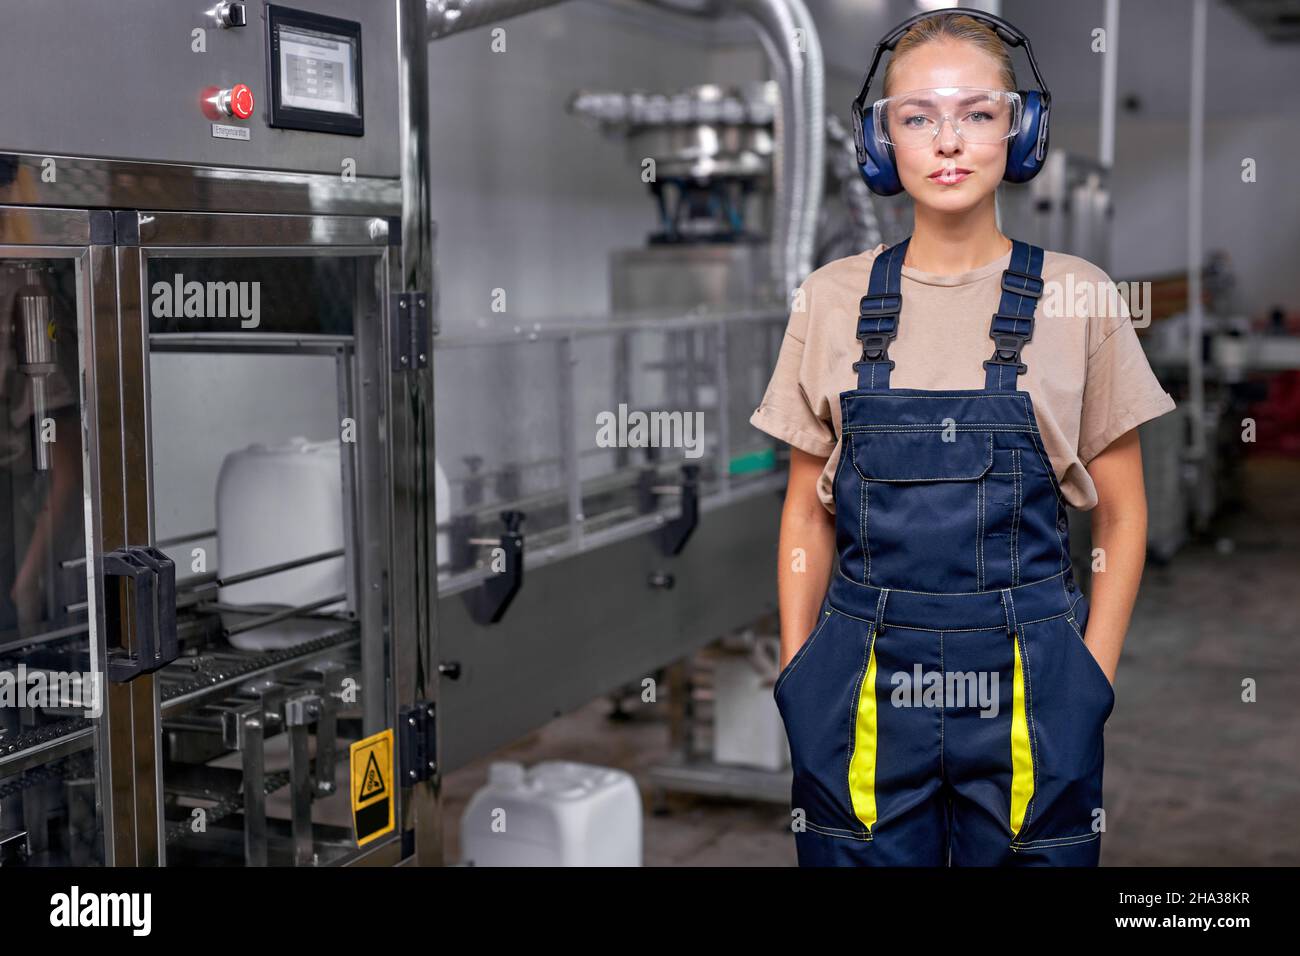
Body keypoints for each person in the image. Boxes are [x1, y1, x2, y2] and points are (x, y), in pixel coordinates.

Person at [750, 9, 1175, 866]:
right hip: (863, 683)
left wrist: (1090, 682)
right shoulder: (831, 298)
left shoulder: (1080, 294)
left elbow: (1124, 515)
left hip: (1031, 683)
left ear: (1020, 131)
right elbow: (805, 510)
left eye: (978, 113)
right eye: (918, 116)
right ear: (882, 142)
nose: (949, 140)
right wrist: (800, 677)